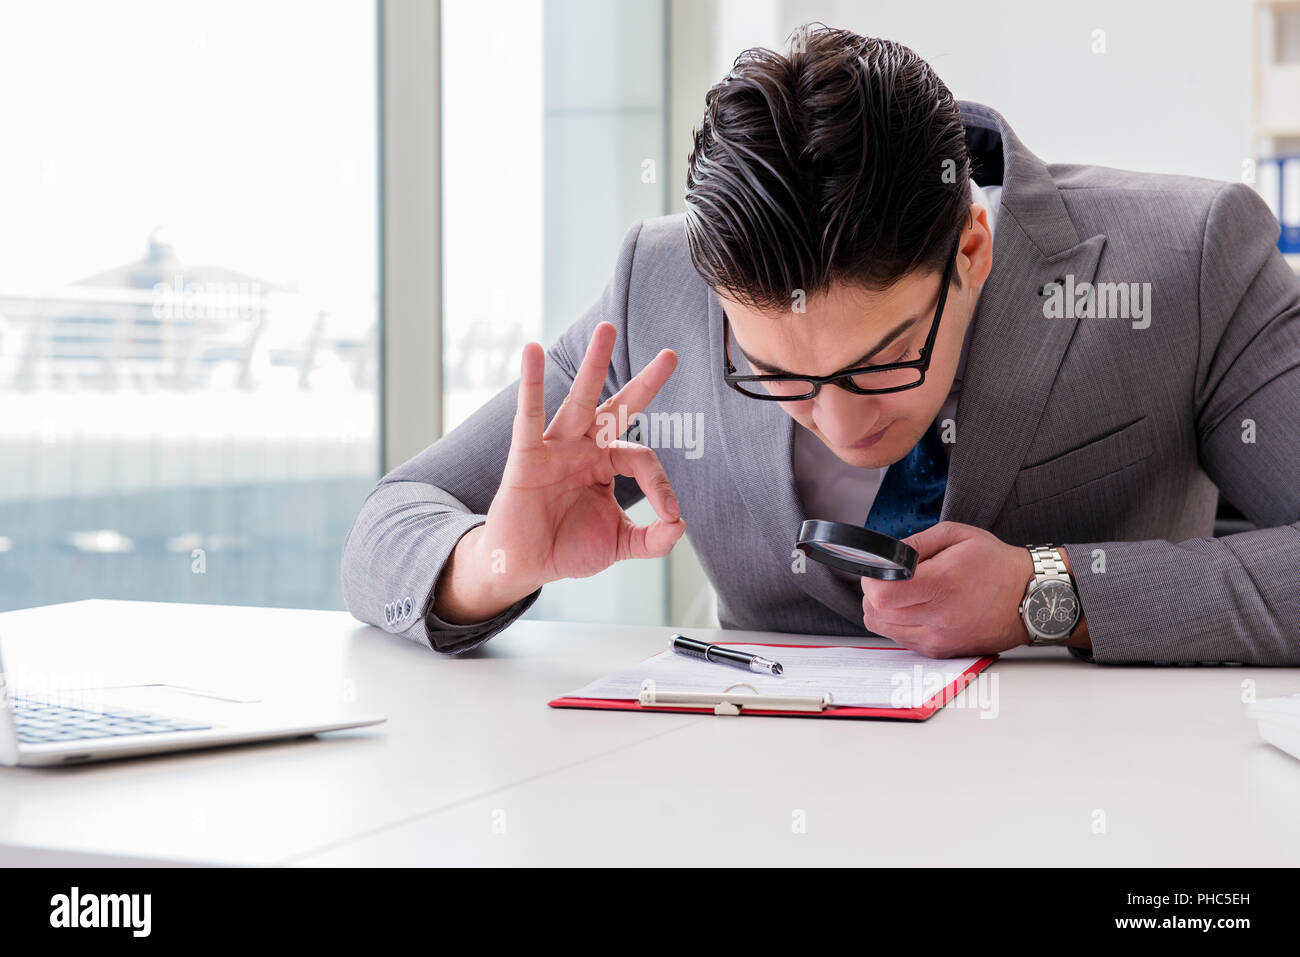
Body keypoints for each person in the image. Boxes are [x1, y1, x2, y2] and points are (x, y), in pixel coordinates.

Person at [342, 25, 1300, 665]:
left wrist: (1049, 592)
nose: (843, 423)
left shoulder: (1191, 259)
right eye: (779, 373)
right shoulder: (659, 284)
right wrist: (492, 563)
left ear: (971, 247)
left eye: (885, 359)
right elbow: (390, 523)